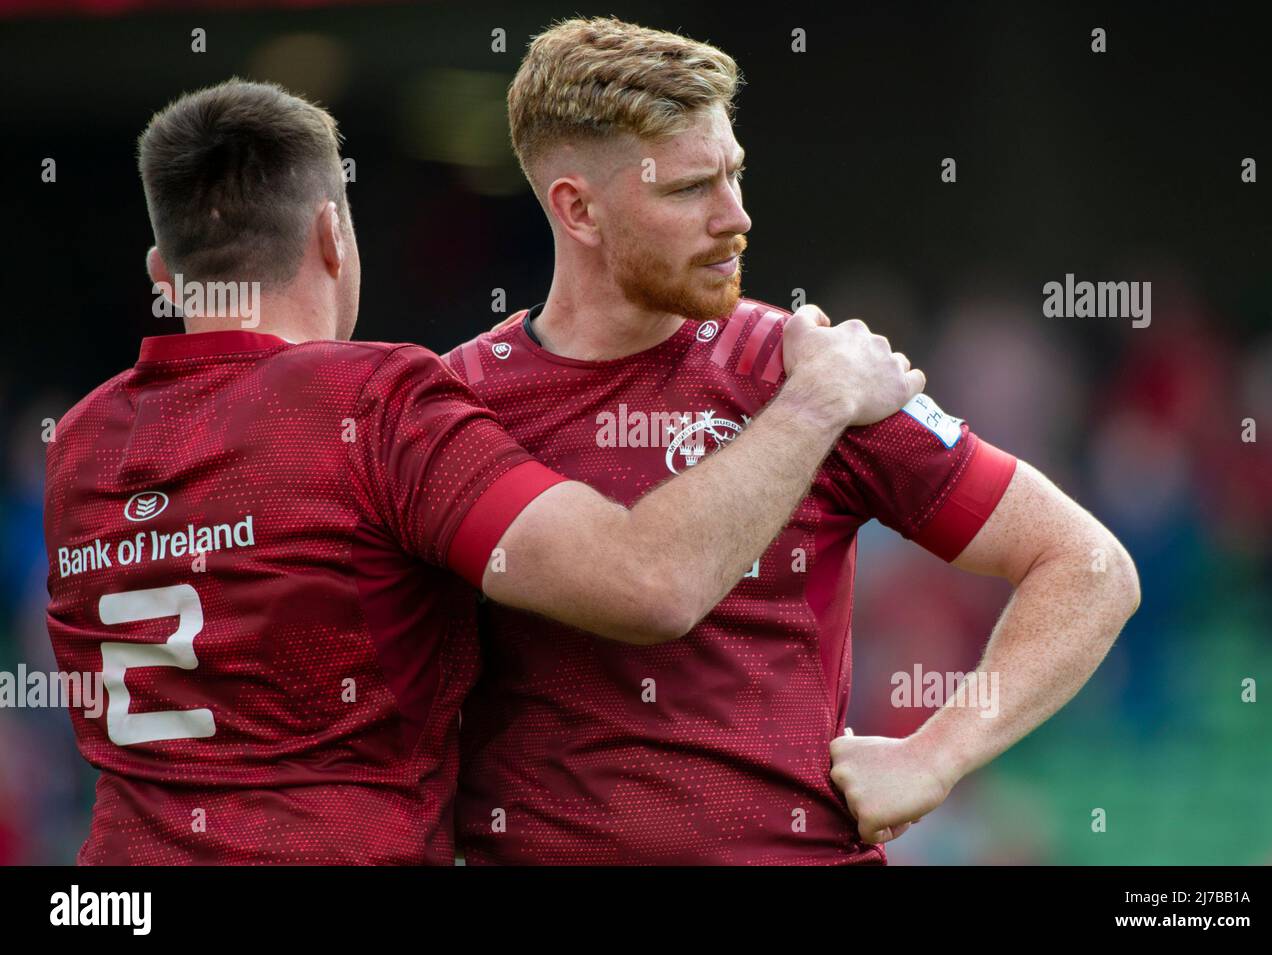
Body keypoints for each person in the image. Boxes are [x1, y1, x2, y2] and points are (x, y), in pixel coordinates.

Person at [42, 79, 919, 864]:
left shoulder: (77, 444)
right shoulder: (370, 399)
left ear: (165, 274)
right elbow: (648, 582)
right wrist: (813, 400)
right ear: (332, 235)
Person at [445, 17, 1141, 864]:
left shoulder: (815, 365)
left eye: (736, 174)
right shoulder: (454, 405)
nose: (736, 217)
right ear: (577, 209)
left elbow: (1090, 566)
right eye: (689, 189)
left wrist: (938, 752)